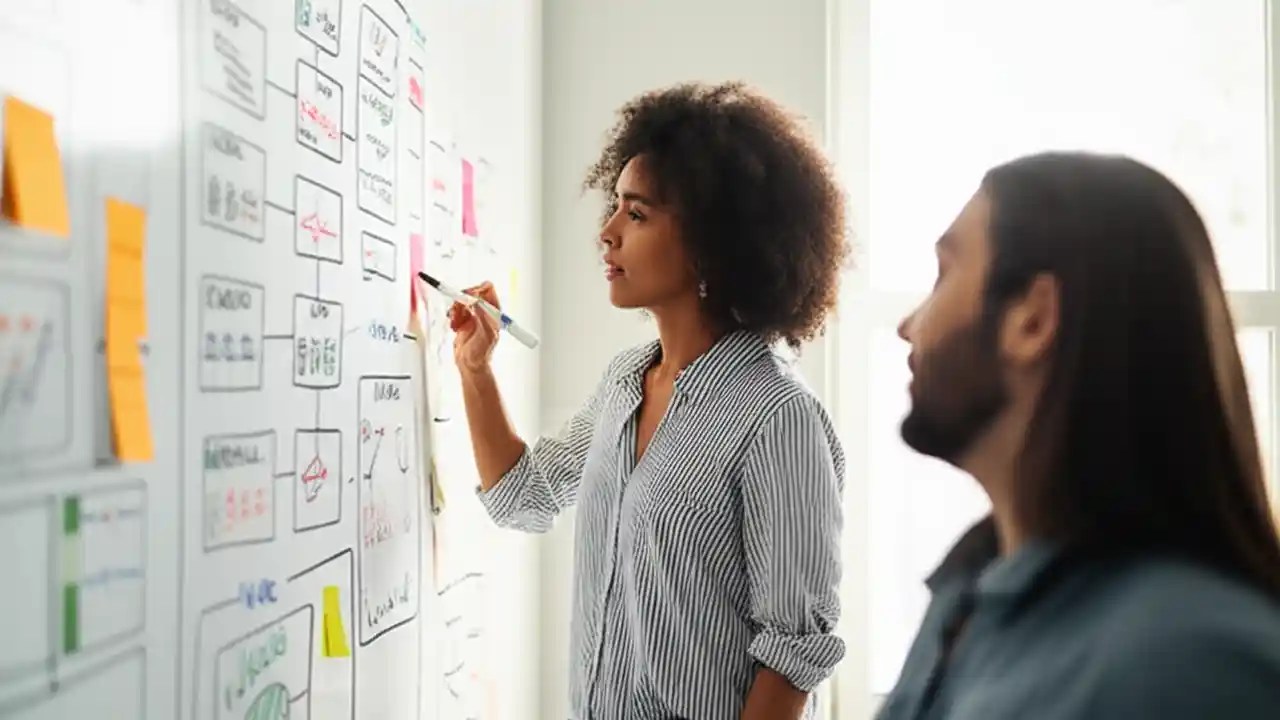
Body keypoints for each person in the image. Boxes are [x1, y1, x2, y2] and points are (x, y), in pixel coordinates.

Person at [446, 81, 849, 720]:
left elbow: (794, 658)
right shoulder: (625, 382)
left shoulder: (779, 418)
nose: (606, 234)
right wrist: (475, 370)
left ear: (712, 241)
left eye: (636, 214)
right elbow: (523, 499)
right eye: (614, 208)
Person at [880, 151, 1280, 719]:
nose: (908, 325)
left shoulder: (1197, 662)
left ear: (1034, 319)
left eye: (945, 273)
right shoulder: (963, 599)